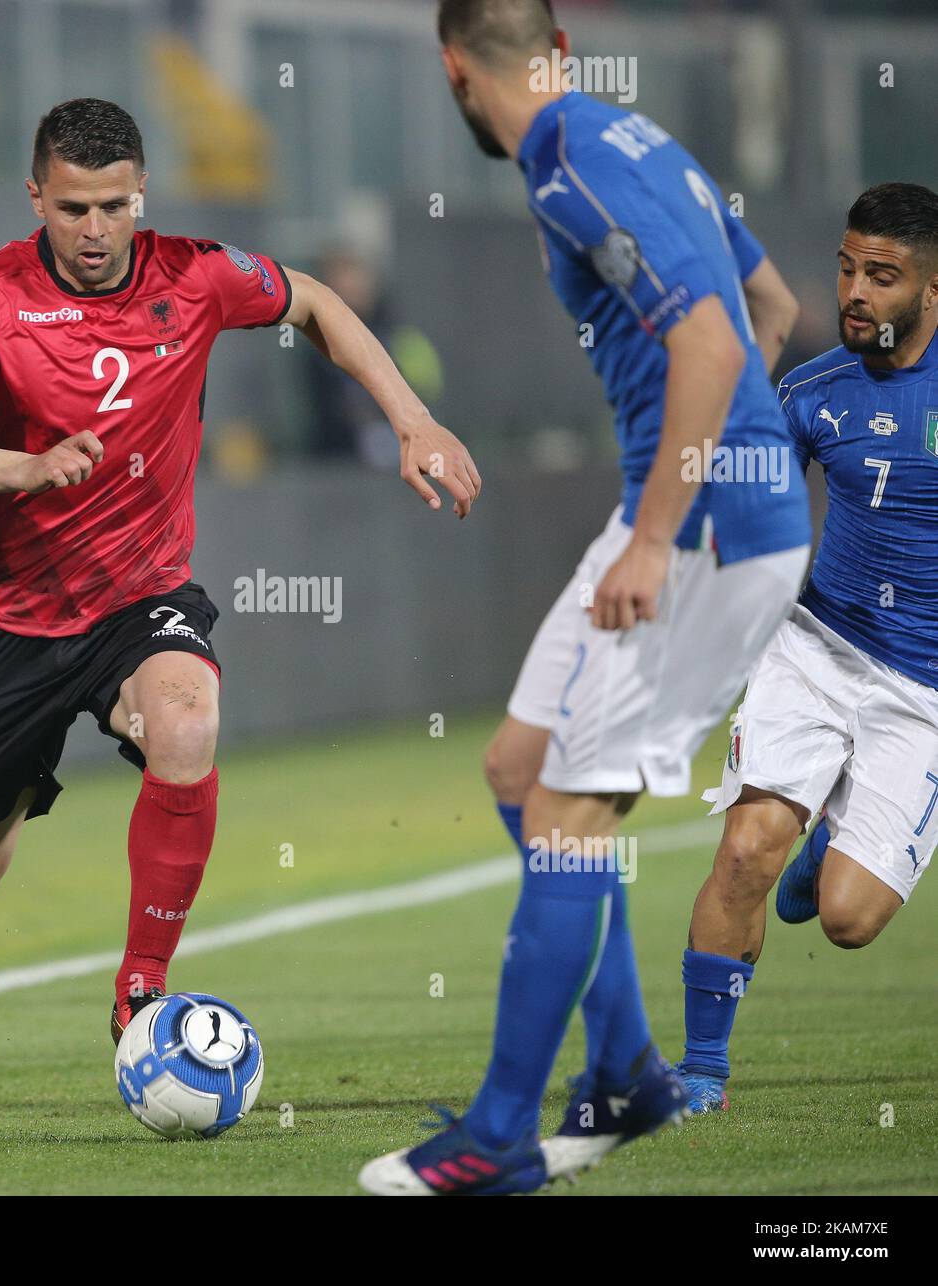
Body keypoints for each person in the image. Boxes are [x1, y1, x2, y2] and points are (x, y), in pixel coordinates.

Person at [0, 97, 480, 1127]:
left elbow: (312, 299)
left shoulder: (196, 274)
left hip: (142, 601)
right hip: (15, 622)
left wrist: (412, 417)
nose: (95, 231)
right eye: (74, 207)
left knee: (186, 715)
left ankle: (141, 985)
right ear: (36, 197)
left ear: (144, 197)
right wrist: (28, 464)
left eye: (115, 206)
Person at [361, 0, 810, 1195]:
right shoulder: (640, 138)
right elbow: (775, 309)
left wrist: (663, 532)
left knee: (568, 817)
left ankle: (499, 1134)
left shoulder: (566, 172)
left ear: (454, 71)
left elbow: (713, 347)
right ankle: (625, 1073)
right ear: (556, 52)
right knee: (519, 769)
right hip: (695, 513)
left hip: (705, 538)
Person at [678, 182, 938, 1115]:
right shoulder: (816, 391)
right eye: (846, 268)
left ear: (932, 287)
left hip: (925, 693)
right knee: (745, 848)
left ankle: (829, 837)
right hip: (818, 645)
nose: (856, 291)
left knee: (847, 919)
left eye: (883, 275)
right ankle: (701, 1071)